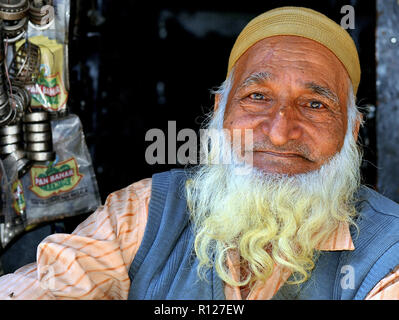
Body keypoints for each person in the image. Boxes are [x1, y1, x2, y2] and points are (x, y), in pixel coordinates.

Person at [1, 6, 399, 300]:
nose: (279, 133)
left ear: (352, 129)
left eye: (315, 105)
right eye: (257, 97)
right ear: (218, 111)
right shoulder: (142, 215)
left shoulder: (388, 251)